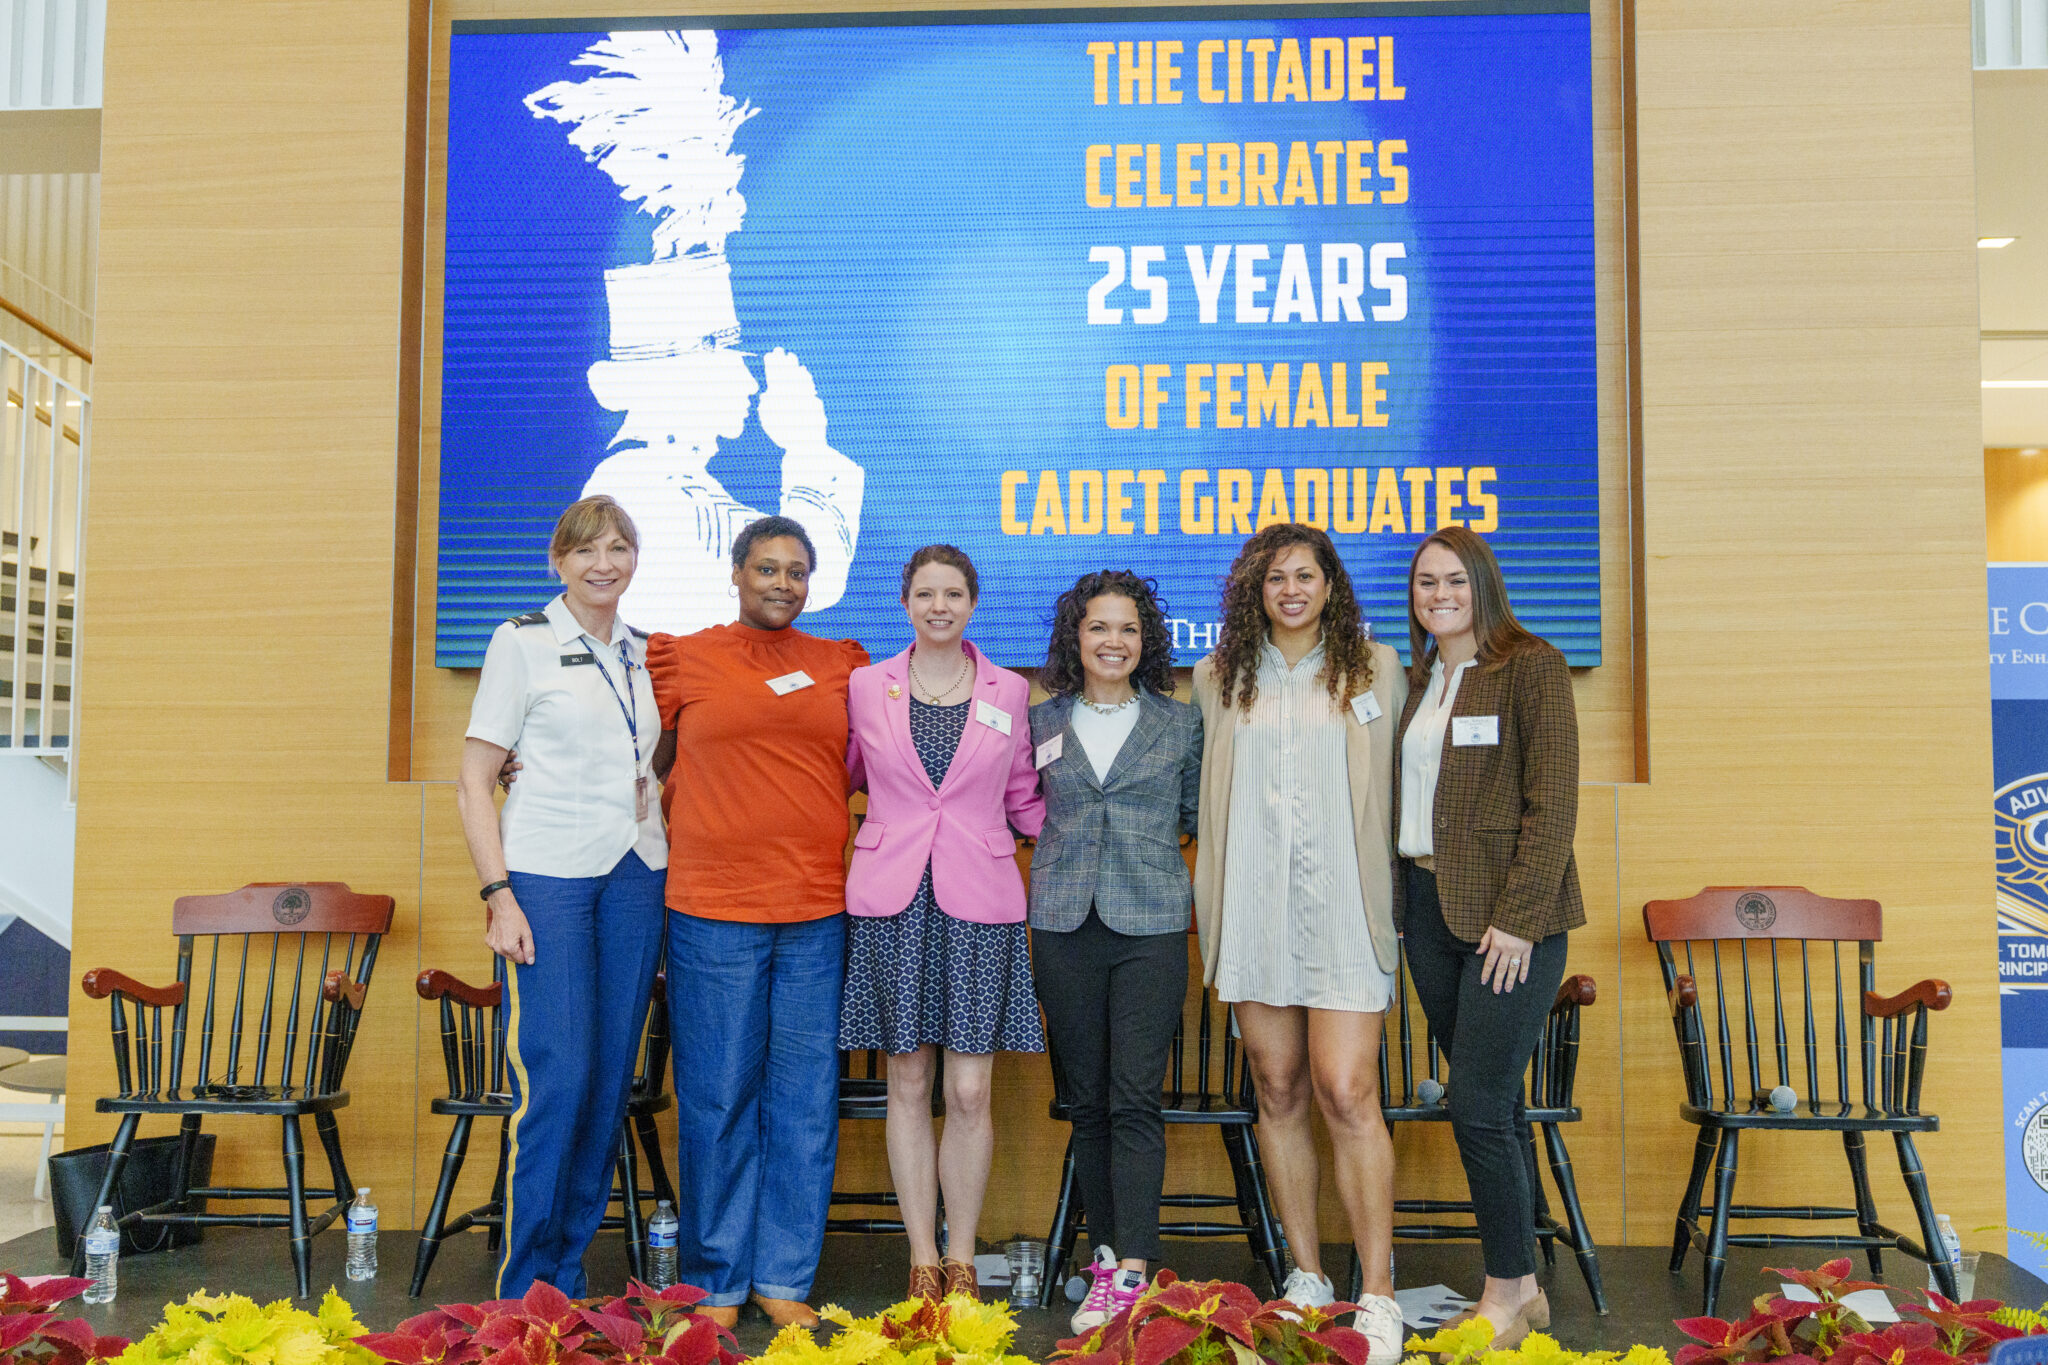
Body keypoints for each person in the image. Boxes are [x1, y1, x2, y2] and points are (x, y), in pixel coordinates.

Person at [1189, 523, 1408, 1362]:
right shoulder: (1217, 676)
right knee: (1276, 1087)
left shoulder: (1375, 668)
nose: (1290, 588)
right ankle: (1308, 1274)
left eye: (1305, 574)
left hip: (1345, 908)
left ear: (1330, 585)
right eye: (1275, 576)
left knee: (1347, 1090)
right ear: (1254, 588)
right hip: (1252, 906)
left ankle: (1379, 1291)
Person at [645, 514, 870, 1330]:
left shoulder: (839, 664)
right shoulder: (684, 657)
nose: (783, 582)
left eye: (797, 571)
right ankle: (716, 1281)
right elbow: (641, 758)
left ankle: (783, 1275)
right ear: (736, 573)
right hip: (710, 910)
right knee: (716, 1096)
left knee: (804, 1099)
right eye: (767, 568)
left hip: (815, 908)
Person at [456, 494, 670, 1299]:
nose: (603, 563)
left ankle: (568, 1277)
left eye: (618, 547)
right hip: (547, 877)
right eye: (586, 551)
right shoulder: (522, 642)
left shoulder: (650, 654)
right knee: (561, 1076)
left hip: (635, 874)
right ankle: (523, 1288)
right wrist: (497, 894)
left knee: (611, 1080)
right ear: (559, 561)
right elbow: (477, 778)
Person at [1392, 526, 1584, 1348]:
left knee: (1474, 1104)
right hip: (1429, 912)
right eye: (1426, 582)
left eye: (1455, 581)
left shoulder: (1529, 665)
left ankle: (1504, 1288)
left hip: (1512, 923)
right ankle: (1530, 1281)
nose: (1439, 594)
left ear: (1484, 585)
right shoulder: (1422, 678)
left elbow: (1554, 805)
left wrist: (1519, 917)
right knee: (1495, 1103)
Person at [841, 545, 1047, 1302]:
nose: (939, 605)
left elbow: (1024, 794)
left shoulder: (1010, 689)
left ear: (972, 601)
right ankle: (921, 1258)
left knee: (967, 1090)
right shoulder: (867, 685)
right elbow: (838, 773)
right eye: (924, 592)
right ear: (904, 601)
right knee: (907, 1076)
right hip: (893, 898)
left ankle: (963, 1256)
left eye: (953, 592)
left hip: (980, 900)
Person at [1027, 570, 1203, 1336]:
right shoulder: (1040, 721)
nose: (1113, 641)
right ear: (1076, 636)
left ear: (1146, 640)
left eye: (1128, 629)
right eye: (1099, 627)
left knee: (1135, 1096)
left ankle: (1137, 1264)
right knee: (1088, 1101)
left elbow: (1195, 815)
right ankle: (1104, 1260)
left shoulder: (1180, 722)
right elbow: (1020, 810)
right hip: (1063, 924)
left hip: (1152, 923)